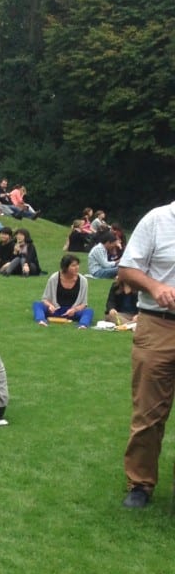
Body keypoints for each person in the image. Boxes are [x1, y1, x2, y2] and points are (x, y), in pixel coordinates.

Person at [116, 201, 175, 507]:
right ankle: (140, 484)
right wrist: (155, 287)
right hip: (158, 324)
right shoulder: (157, 219)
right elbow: (127, 268)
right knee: (149, 412)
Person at [33, 255, 93, 328]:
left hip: (72, 312)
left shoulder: (83, 281)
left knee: (88, 311)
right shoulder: (54, 278)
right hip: (55, 309)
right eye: (73, 265)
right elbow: (45, 299)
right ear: (65, 267)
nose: (77, 267)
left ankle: (83, 325)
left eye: (77, 265)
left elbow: (84, 304)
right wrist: (50, 306)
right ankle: (41, 320)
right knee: (37, 304)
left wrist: (74, 310)